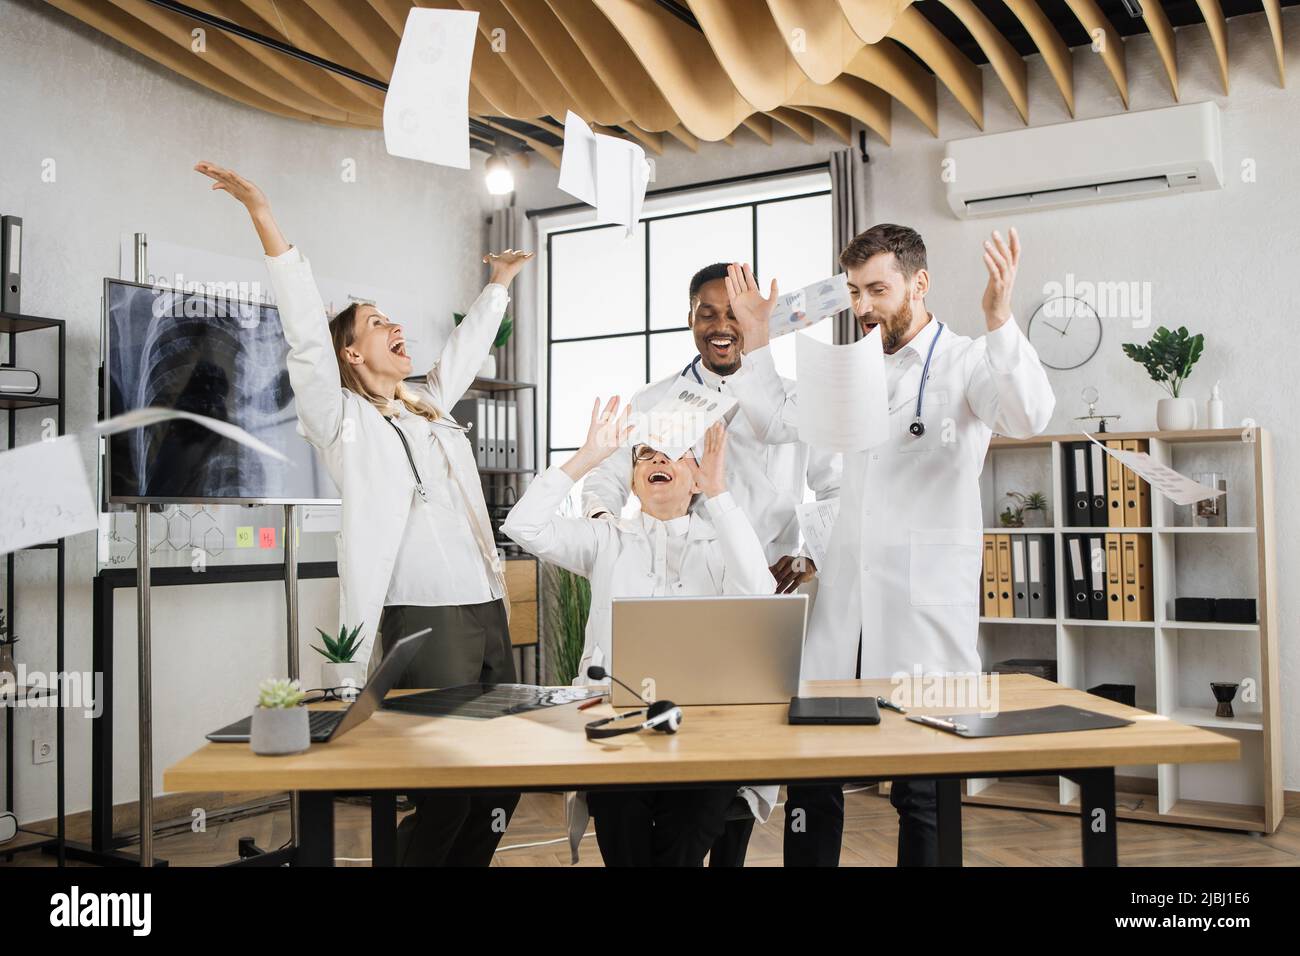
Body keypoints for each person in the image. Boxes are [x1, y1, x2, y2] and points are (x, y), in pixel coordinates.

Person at [196, 160, 532, 867]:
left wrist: (499, 283)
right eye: (378, 324)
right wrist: (262, 211)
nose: (397, 326)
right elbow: (304, 337)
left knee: (500, 780)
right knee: (444, 790)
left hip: (488, 610)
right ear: (351, 351)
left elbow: (467, 348)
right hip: (425, 616)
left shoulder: (429, 404)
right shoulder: (340, 418)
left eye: (393, 318)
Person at [725, 224, 1056, 866]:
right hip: (842, 608)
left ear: (919, 282)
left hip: (921, 611)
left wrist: (999, 319)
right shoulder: (852, 369)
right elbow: (774, 420)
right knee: (812, 782)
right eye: (854, 291)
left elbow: (1028, 414)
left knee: (923, 792)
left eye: (877, 289)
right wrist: (758, 339)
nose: (863, 306)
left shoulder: (967, 362)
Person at [582, 262, 841, 865]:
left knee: (744, 762)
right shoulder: (660, 400)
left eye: (734, 312)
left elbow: (834, 491)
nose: (722, 325)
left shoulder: (794, 404)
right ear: (690, 319)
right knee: (688, 754)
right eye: (707, 312)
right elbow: (605, 479)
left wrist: (806, 556)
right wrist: (608, 531)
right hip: (687, 599)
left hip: (766, 595)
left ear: (758, 320)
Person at [502, 406, 775, 866]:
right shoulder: (607, 539)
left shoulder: (720, 540)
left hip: (705, 733)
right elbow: (523, 526)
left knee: (692, 819)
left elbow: (759, 590)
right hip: (617, 728)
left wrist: (720, 492)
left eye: (673, 455)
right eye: (645, 455)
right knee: (620, 814)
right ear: (632, 481)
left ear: (695, 480)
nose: (656, 461)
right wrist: (586, 458)